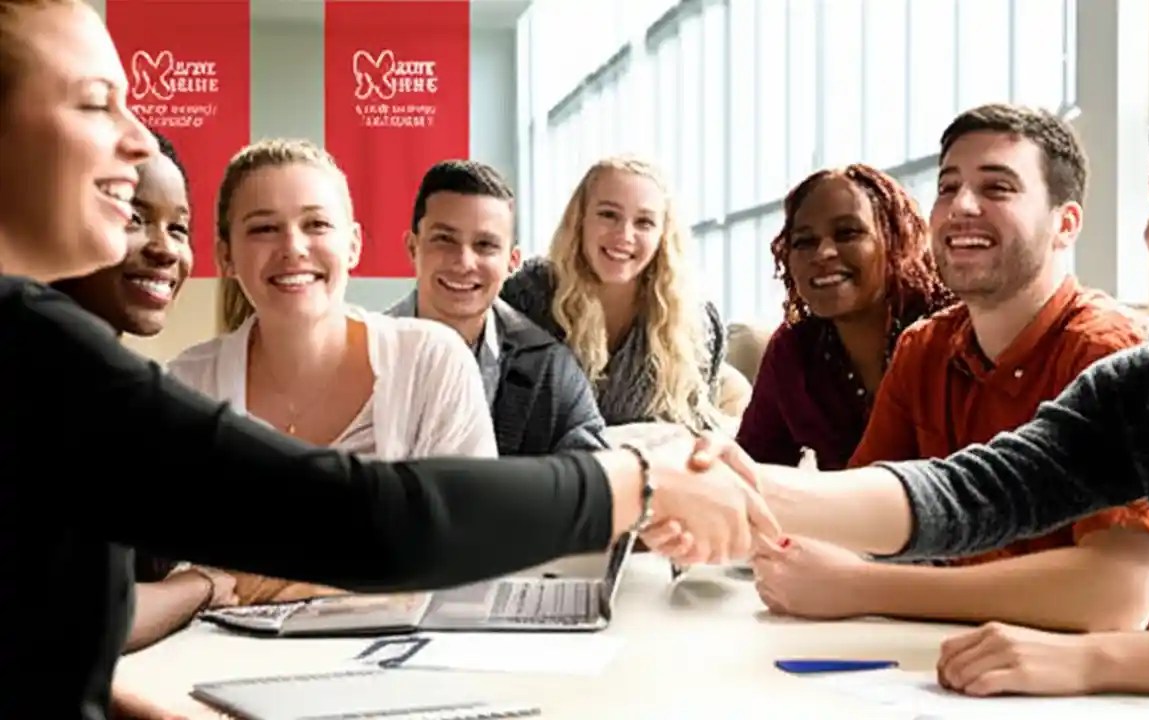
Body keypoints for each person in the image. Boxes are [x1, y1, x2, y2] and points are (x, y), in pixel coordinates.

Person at [0, 2, 778, 717]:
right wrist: (640, 483)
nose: (138, 141)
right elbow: (371, 518)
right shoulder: (35, 347)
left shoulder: (46, 344)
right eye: (96, 102)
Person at [665, 68, 1149, 701]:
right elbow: (975, 489)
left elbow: (1116, 601)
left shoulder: (1108, 344)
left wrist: (1092, 661)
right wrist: (713, 481)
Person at [751, 106, 1149, 633]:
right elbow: (859, 518)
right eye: (947, 186)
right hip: (964, 654)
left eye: (997, 188)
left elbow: (1114, 598)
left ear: (1064, 224)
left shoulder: (1114, 353)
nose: (961, 206)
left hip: (1130, 684)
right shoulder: (925, 347)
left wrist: (860, 587)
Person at [170, 139, 499, 604]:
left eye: (317, 224)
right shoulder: (186, 386)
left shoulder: (431, 360)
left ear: (354, 245)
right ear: (226, 255)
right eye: (264, 228)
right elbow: (180, 573)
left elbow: (469, 552)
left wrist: (271, 583)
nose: (293, 247)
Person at [52, 128, 217, 720]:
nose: (165, 248)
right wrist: (203, 586)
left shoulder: (123, 390)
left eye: (179, 227)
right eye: (134, 218)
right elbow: (84, 620)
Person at [735, 164, 954, 471]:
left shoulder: (952, 327)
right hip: (848, 516)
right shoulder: (795, 350)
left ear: (894, 240)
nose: (823, 253)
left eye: (848, 233)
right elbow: (753, 469)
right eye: (804, 241)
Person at [387, 159, 607, 455]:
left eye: (485, 245)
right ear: (413, 248)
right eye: (444, 239)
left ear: (512, 262)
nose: (464, 262)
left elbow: (597, 477)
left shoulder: (550, 369)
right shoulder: (360, 355)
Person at [500, 156, 729, 430]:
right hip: (550, 470)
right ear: (580, 219)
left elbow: (698, 427)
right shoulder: (529, 296)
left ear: (663, 235)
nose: (624, 235)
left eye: (644, 222)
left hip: (649, 469)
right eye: (608, 214)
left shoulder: (696, 321)